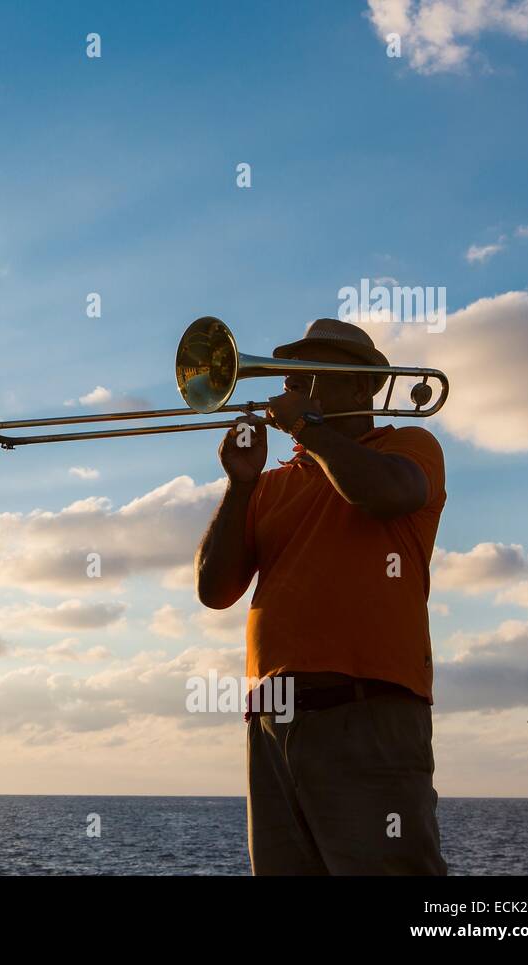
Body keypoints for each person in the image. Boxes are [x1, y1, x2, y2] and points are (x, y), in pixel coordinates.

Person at [194, 317, 448, 875]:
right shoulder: (273, 484)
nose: (293, 389)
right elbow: (214, 591)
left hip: (368, 710)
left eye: (312, 377)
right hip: (271, 722)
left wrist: (309, 431)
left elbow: (384, 494)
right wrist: (240, 485)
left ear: (363, 388)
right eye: (290, 379)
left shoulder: (407, 447)